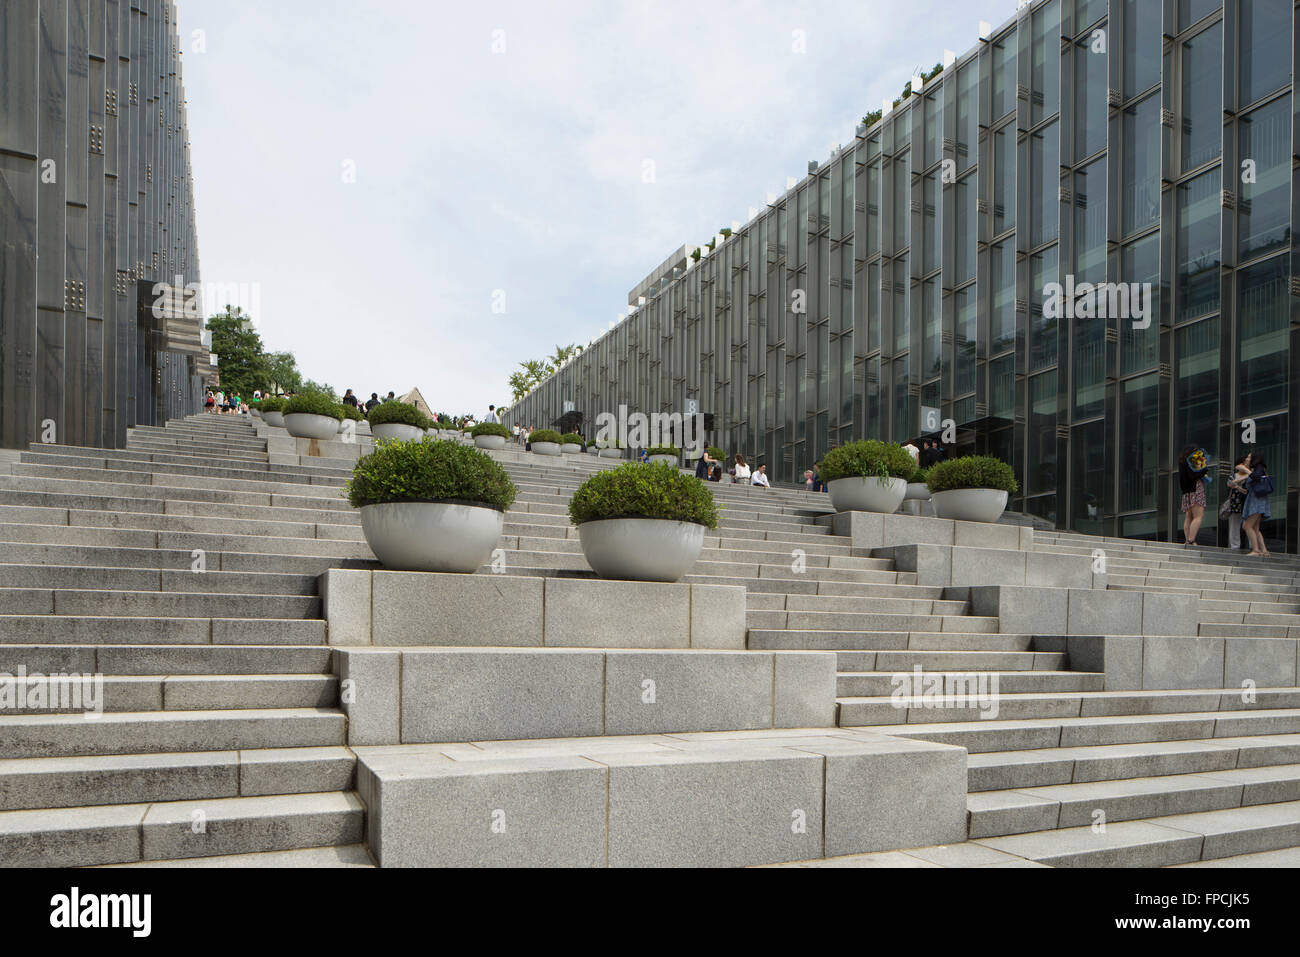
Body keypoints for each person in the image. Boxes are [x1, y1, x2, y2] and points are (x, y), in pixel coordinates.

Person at [1177, 445, 1211, 546]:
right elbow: (1194, 476)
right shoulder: (1191, 461)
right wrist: (1204, 470)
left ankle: (1187, 540)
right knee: (1198, 516)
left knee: (1188, 516)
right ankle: (1191, 540)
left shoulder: (1181, 462)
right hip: (1195, 489)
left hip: (1186, 492)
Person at [1242, 455, 1273, 558]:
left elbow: (1256, 477)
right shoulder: (1258, 468)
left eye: (1249, 457)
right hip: (1257, 500)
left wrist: (1245, 470)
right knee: (1255, 527)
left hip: (1256, 501)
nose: (1247, 459)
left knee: (1247, 526)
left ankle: (1256, 550)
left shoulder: (1258, 467)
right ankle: (1263, 550)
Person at [1222, 455, 1251, 549]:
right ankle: (1235, 546)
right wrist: (1239, 487)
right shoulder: (1234, 474)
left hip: (1247, 502)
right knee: (1234, 525)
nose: (1243, 466)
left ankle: (1252, 545)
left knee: (1249, 525)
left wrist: (1237, 486)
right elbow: (1229, 483)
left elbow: (1236, 485)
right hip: (1235, 503)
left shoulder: (1250, 474)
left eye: (1245, 464)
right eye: (1242, 464)